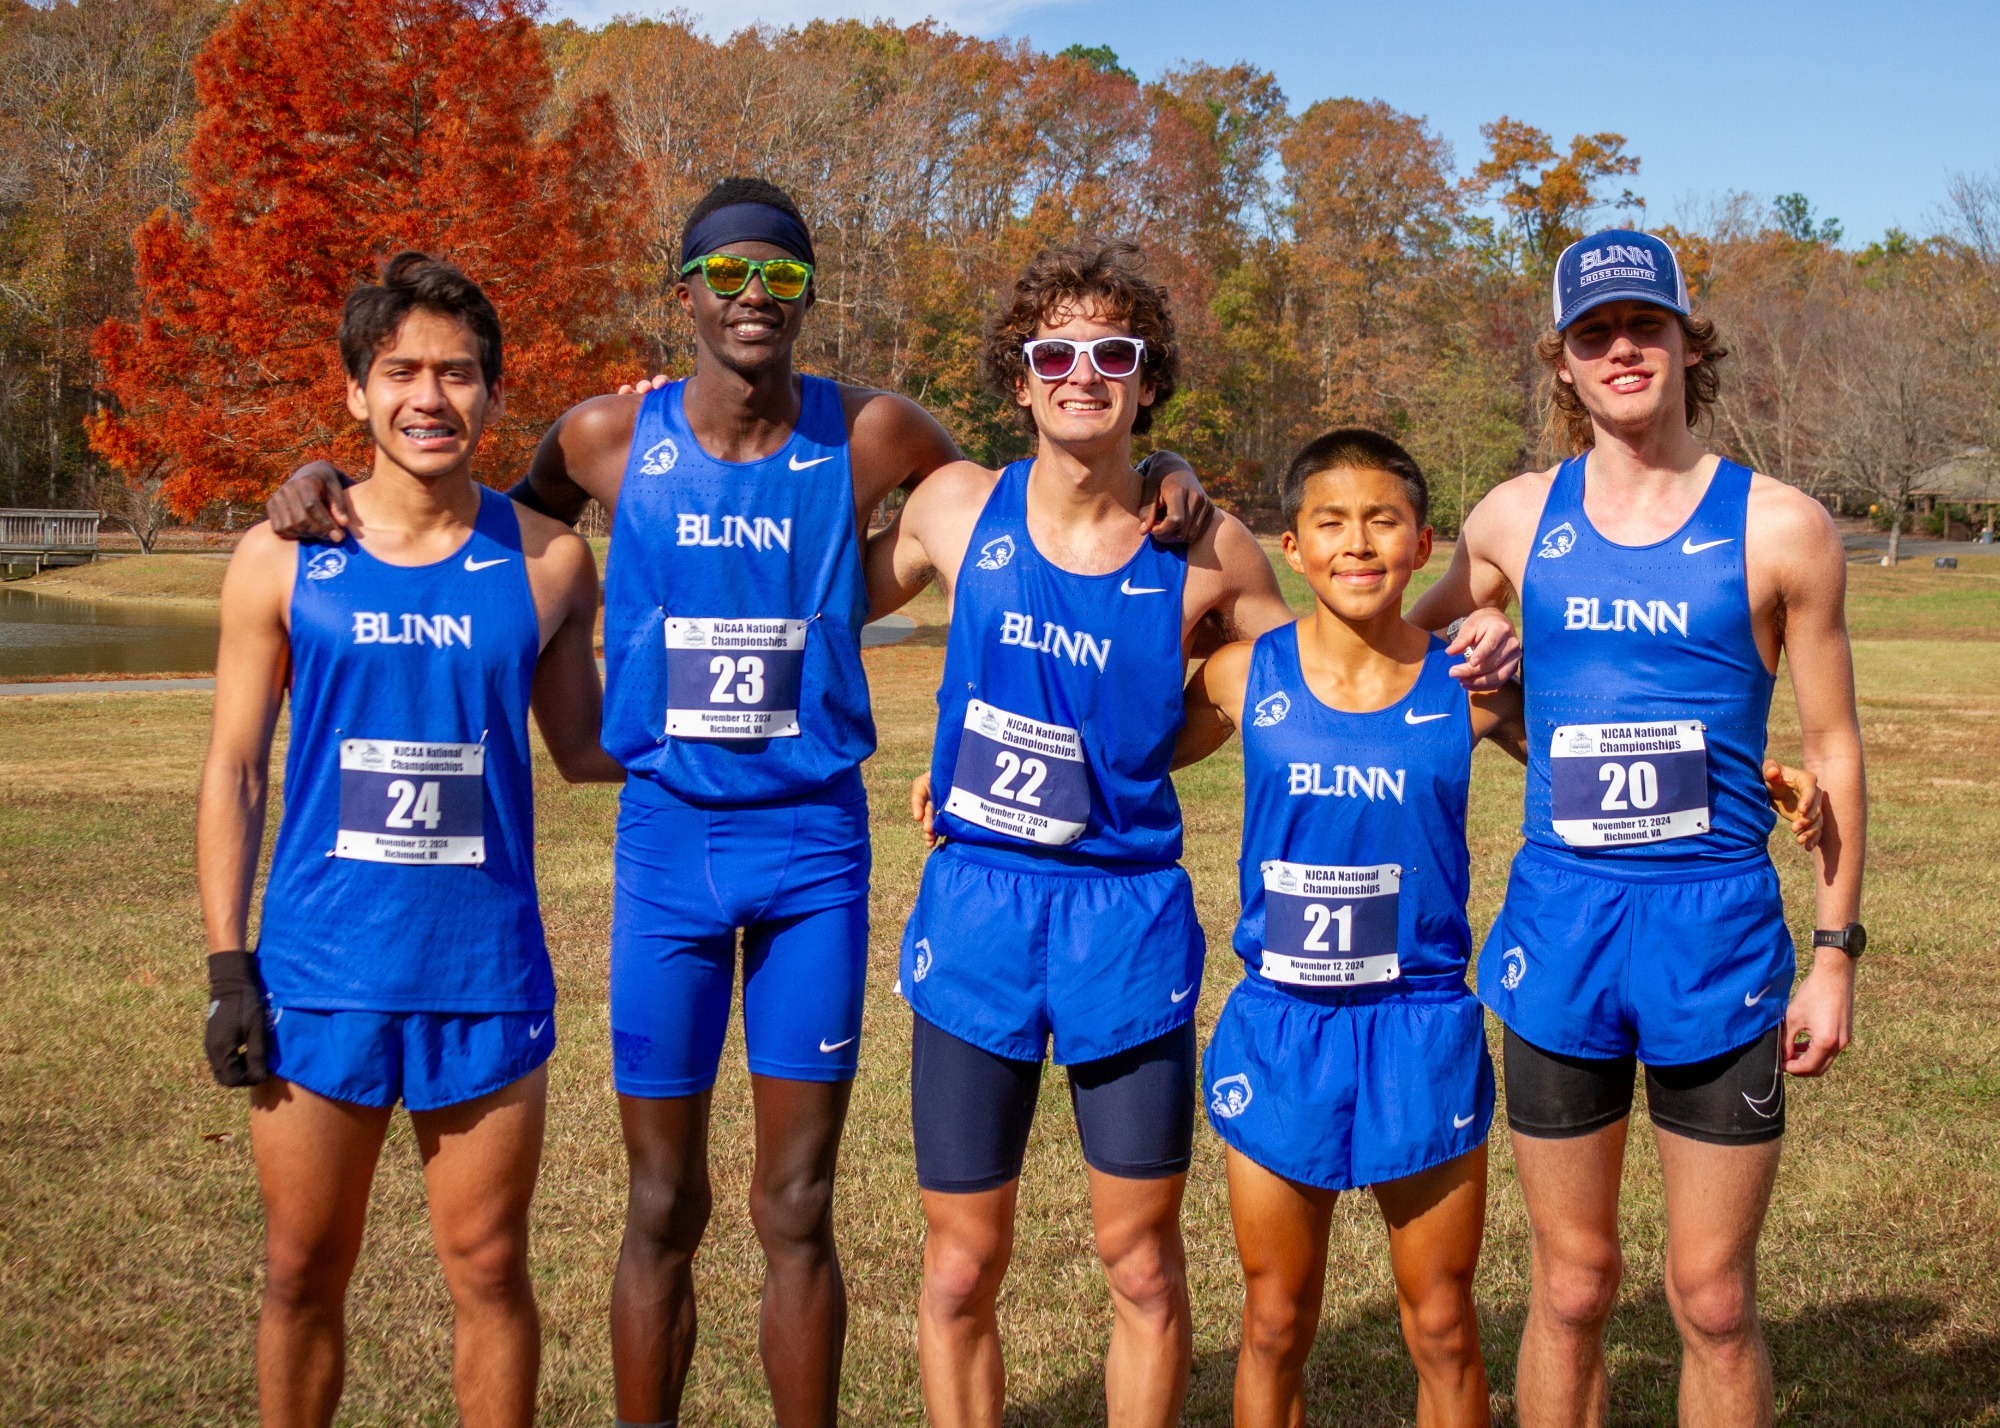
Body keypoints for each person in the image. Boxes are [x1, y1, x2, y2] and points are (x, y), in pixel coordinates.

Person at [261, 179, 1217, 1428]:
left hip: (813, 850)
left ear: (809, 293)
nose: (751, 297)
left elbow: (1027, 497)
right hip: (668, 850)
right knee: (660, 1203)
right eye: (725, 275)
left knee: (795, 1204)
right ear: (686, 294)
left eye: (778, 275)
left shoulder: (874, 433)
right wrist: (323, 483)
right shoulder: (606, 438)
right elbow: (494, 525)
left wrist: (1168, 466)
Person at [874, 243, 1523, 1428]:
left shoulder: (1208, 548)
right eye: (1053, 353)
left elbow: (1307, 682)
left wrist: (1481, 653)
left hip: (1124, 922)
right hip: (976, 908)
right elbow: (817, 585)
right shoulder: (951, 506)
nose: (1081, 373)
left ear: (1145, 377)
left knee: (1138, 1261)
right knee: (961, 1261)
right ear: (1017, 378)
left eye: (1110, 354)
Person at [1178, 429, 1824, 1428]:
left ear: (1423, 541)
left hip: (1419, 1029)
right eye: (1331, 525)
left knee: (1441, 1326)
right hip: (1281, 1026)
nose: (1357, 545)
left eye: (1383, 521)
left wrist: (1755, 784)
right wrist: (949, 785)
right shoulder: (1238, 675)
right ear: (1292, 548)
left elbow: (1598, 758)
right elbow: (1119, 749)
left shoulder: (1468, 689)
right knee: (1270, 1323)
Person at [1410, 228, 1867, 1427]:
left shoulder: (1780, 526)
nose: (1621, 350)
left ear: (1683, 341)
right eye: (1593, 334)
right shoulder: (1513, 517)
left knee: (1711, 1294)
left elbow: (1833, 751)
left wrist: (1833, 957)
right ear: (1560, 362)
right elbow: (1392, 650)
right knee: (1570, 1284)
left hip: (1713, 937)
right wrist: (1486, 676)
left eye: (1643, 327)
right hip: (1561, 931)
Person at [199, 252, 620, 1428]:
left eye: (458, 373)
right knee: (298, 1275)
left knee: (488, 1273)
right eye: (401, 372)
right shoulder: (284, 554)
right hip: (318, 978)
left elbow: (590, 752)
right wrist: (229, 966)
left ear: (490, 392)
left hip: (483, 977)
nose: (429, 397)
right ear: (355, 393)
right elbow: (235, 766)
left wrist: (766, 729)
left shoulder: (546, 561)